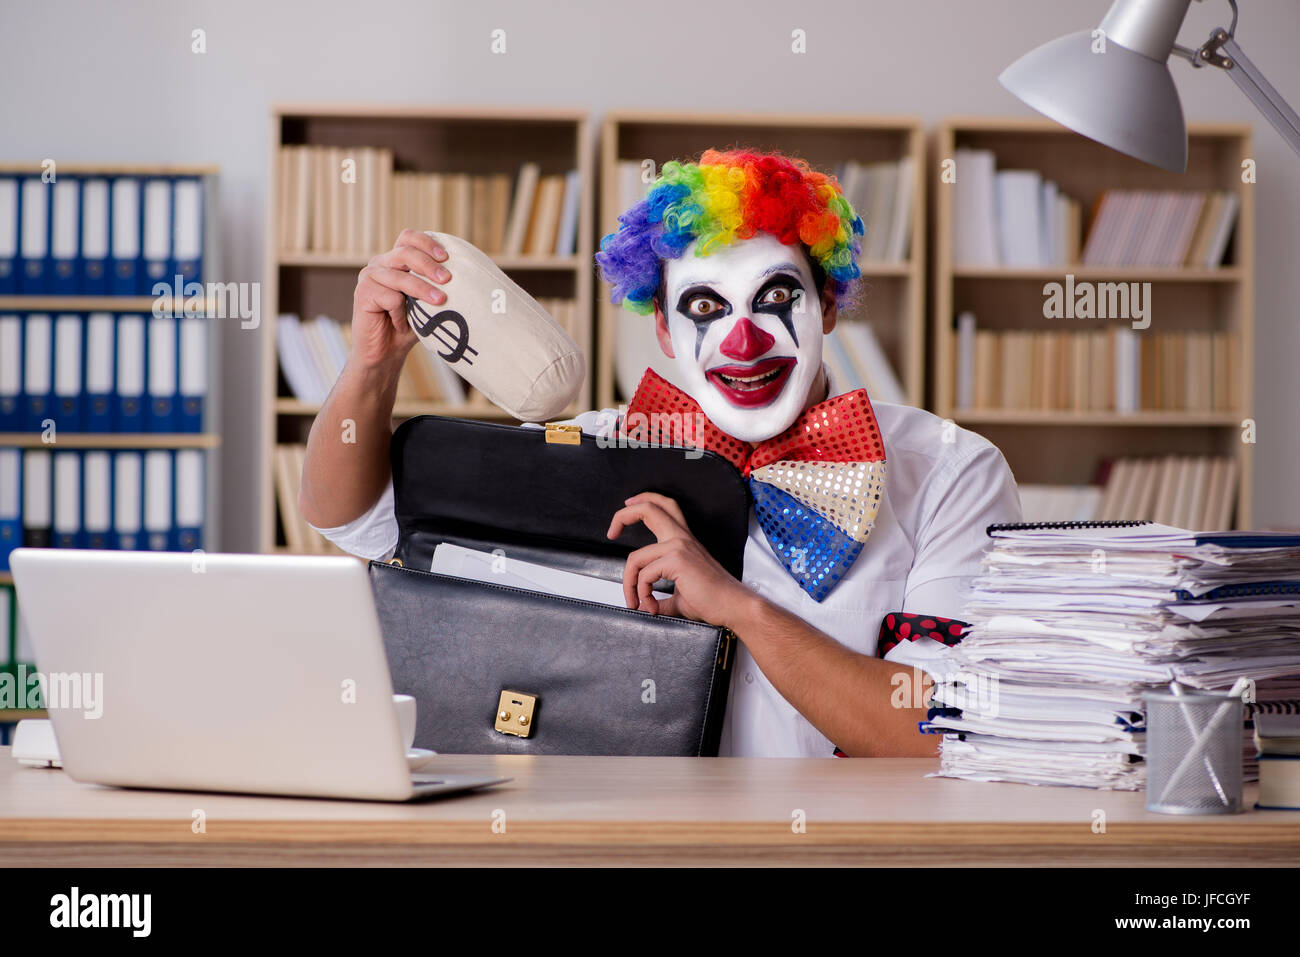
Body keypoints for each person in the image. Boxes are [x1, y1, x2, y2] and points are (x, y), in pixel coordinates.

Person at [299, 148, 1022, 758]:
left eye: (775, 296)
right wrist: (371, 365)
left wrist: (739, 607)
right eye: (707, 308)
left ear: (827, 303)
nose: (744, 340)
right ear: (667, 333)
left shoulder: (950, 470)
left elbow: (949, 731)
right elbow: (353, 517)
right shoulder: (599, 448)